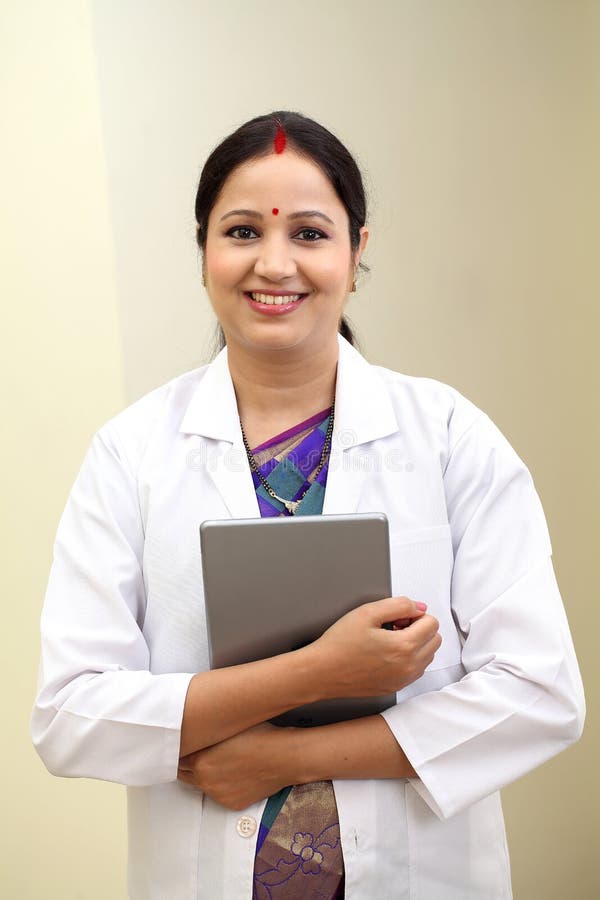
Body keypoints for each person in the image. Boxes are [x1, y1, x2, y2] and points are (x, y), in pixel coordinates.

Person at [31, 111, 585, 900]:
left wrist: (288, 758)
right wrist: (320, 671)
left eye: (311, 235)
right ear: (203, 253)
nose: (274, 263)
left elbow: (540, 695)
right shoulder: (131, 454)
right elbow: (71, 714)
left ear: (358, 252)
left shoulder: (451, 437)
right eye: (243, 231)